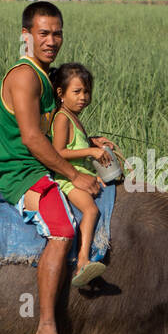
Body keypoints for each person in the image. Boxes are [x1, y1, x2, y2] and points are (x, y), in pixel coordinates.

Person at [0, 2, 112, 334]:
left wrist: (90, 140)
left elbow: (52, 130)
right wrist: (74, 176)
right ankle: (44, 329)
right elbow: (31, 138)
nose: (51, 41)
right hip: (20, 171)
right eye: (43, 33)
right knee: (61, 228)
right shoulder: (25, 77)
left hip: (39, 163)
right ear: (26, 36)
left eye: (57, 33)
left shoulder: (45, 76)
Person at [49, 62, 113, 288]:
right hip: (68, 178)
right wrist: (90, 150)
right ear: (61, 93)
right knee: (90, 209)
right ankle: (83, 260)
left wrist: (94, 141)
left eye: (86, 91)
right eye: (77, 91)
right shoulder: (62, 117)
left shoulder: (74, 117)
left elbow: (74, 142)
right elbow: (58, 152)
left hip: (81, 173)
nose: (83, 96)